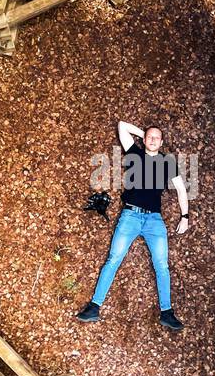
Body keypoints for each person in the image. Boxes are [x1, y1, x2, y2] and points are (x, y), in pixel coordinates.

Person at [76, 120, 189, 330]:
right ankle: (94, 307)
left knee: (162, 265)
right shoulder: (135, 154)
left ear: (162, 142)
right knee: (114, 258)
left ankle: (167, 312)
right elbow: (122, 126)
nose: (153, 139)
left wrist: (185, 216)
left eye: (157, 137)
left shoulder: (168, 162)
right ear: (144, 139)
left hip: (154, 220)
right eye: (150, 137)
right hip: (130, 216)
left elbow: (182, 189)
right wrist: (144, 134)